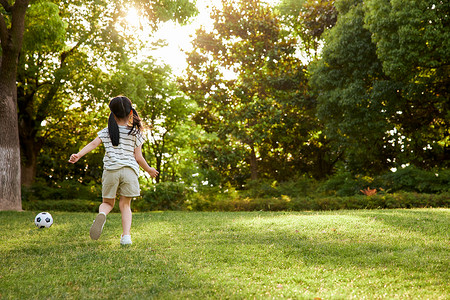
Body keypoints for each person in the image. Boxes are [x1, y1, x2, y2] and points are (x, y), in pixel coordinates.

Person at [68, 96, 159, 245]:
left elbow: (93, 144)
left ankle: (102, 214)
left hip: (111, 170)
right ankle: (126, 237)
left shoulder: (106, 131)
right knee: (125, 205)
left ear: (113, 114)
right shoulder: (135, 133)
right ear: (131, 113)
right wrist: (149, 169)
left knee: (108, 203)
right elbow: (138, 157)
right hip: (129, 171)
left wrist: (78, 155)